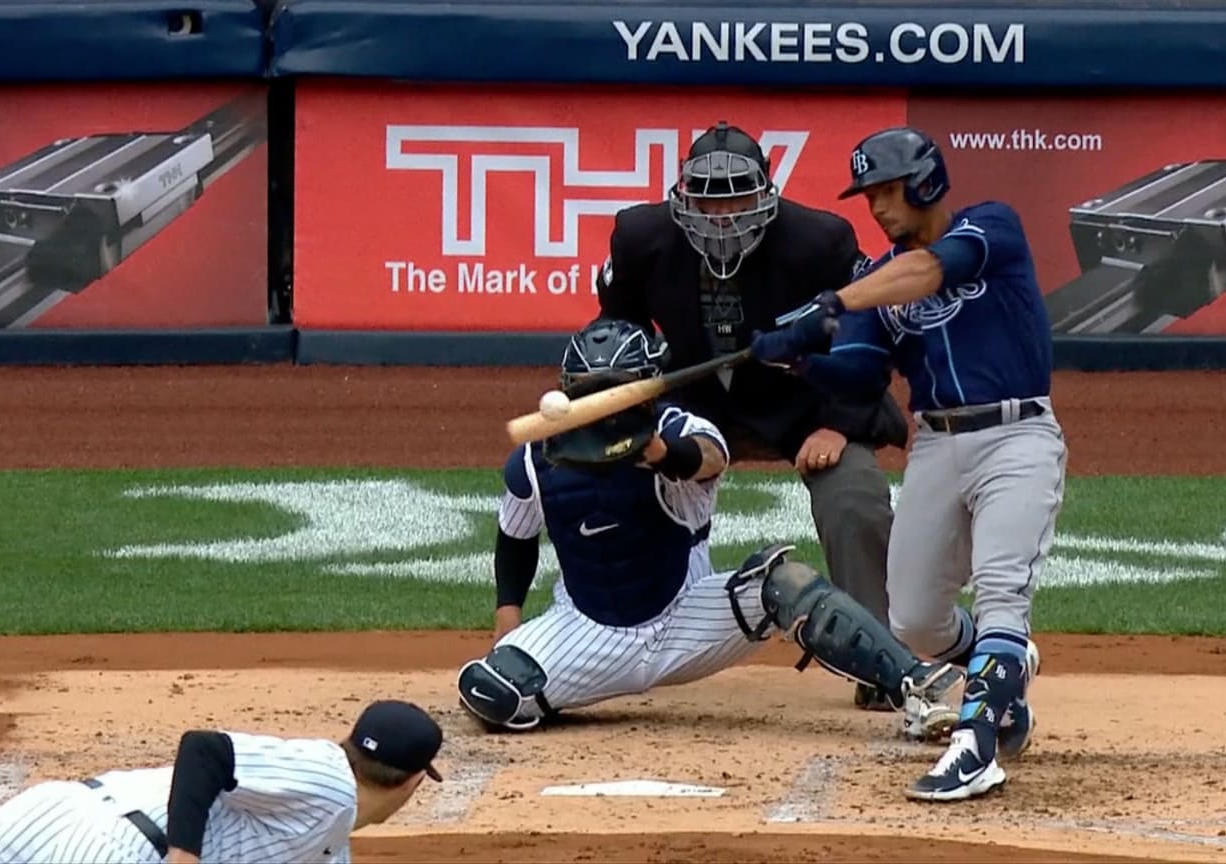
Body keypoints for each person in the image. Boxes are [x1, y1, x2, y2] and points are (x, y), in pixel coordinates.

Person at [455, 315, 963, 745]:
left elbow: (707, 459)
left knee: (783, 583)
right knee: (490, 690)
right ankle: (573, 690)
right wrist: (508, 619)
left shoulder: (682, 429)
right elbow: (515, 537)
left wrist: (649, 450)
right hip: (588, 631)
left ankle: (912, 683)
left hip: (689, 617)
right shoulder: (534, 460)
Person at [750, 125, 1064, 802]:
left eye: (889, 191)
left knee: (1004, 589)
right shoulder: (872, 281)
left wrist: (829, 305)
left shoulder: (991, 228)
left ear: (924, 181)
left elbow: (925, 272)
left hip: (1018, 437)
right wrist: (797, 356)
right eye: (870, 197)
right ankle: (999, 668)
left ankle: (976, 746)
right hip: (937, 446)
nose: (879, 208)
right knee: (916, 620)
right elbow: (861, 376)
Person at [595, 121, 911, 712]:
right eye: (709, 197)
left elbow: (869, 339)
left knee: (855, 497)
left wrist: (838, 423)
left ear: (766, 190)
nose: (722, 212)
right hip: (691, 408)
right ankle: (614, 632)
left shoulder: (822, 241)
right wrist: (633, 416)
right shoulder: (640, 237)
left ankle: (882, 657)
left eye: (737, 193)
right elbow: (615, 335)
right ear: (683, 195)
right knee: (613, 474)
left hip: (800, 406)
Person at [0, 699, 443, 863]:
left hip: (53, 812)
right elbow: (204, 749)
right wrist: (185, 855)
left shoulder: (325, 839)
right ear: (415, 783)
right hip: (113, 850)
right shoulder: (328, 781)